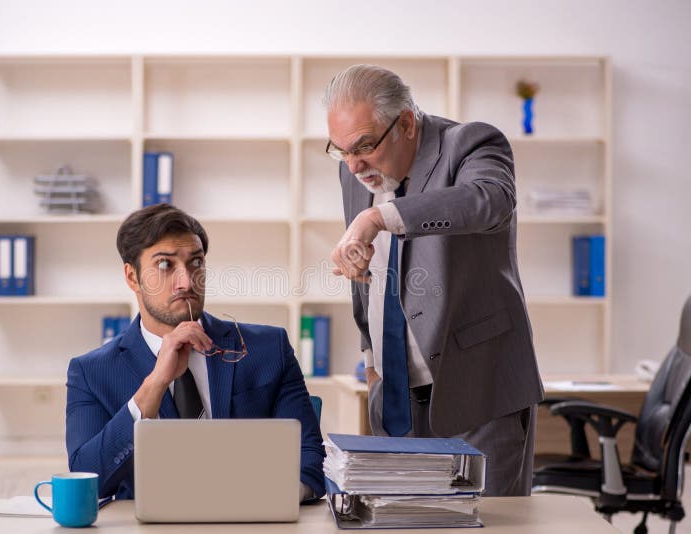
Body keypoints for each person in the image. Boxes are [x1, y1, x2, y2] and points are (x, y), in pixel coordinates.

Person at [324, 64, 544, 496]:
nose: (354, 165)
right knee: (400, 522)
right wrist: (370, 358)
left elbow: (490, 200)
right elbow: (367, 266)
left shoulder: (469, 145)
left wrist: (380, 216)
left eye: (364, 146)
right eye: (340, 150)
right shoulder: (354, 171)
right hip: (395, 400)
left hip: (479, 393)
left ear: (405, 122)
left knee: (491, 524)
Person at [65, 204, 325, 501]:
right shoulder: (91, 372)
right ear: (133, 277)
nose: (187, 282)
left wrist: (266, 498)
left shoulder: (268, 348)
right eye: (165, 265)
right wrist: (154, 385)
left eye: (196, 263)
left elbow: (311, 459)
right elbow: (85, 478)